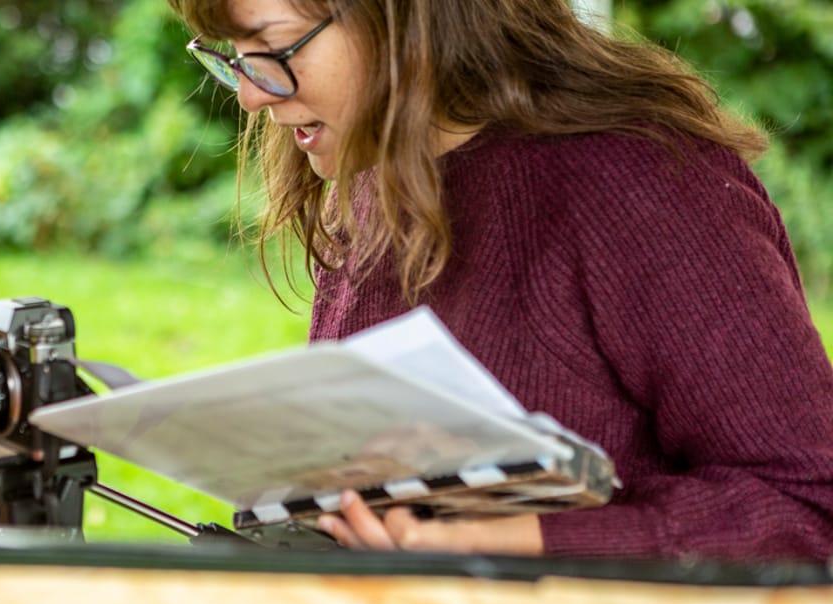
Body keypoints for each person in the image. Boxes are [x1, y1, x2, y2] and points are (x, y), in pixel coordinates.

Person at [166, 0, 833, 561]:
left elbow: (809, 505)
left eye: (275, 48)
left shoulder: (643, 184)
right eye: (231, 54)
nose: (252, 94)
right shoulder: (378, 169)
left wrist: (523, 542)